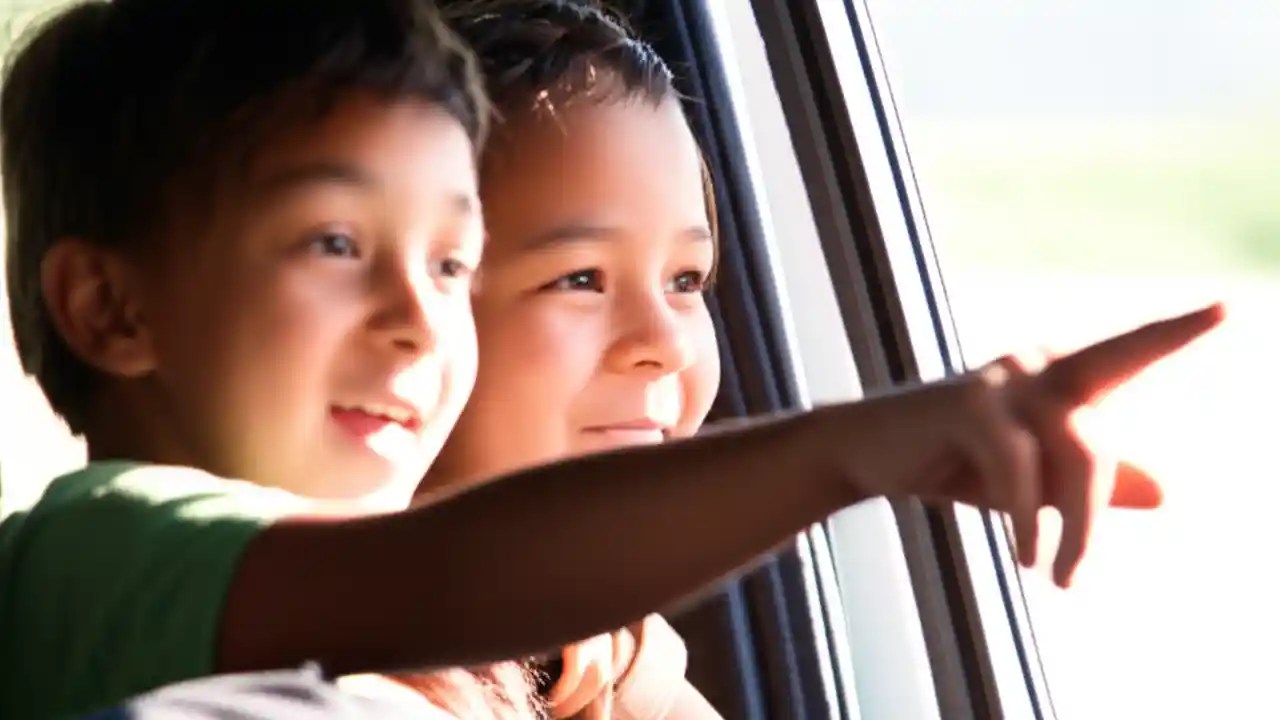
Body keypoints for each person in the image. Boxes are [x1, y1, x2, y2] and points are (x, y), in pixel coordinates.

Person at [0, 0, 1223, 718]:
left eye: (445, 267)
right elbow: (437, 578)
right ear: (114, 310)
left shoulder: (549, 646)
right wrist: (852, 448)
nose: (423, 322)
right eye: (334, 245)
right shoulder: (93, 552)